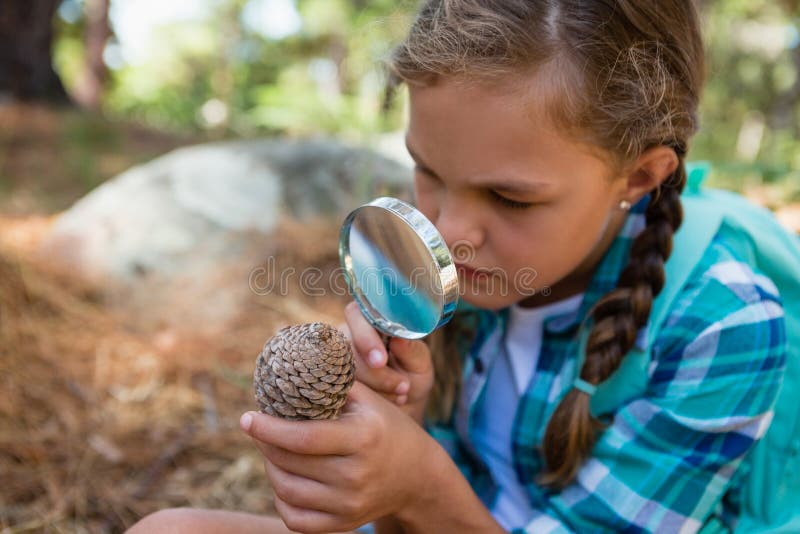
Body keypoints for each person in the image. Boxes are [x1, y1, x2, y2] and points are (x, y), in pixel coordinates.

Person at [127, 1, 789, 532]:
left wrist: (418, 487)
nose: (446, 232)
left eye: (508, 197)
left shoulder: (723, 326)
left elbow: (423, 500)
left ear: (639, 176)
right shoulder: (438, 275)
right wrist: (395, 429)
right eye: (426, 171)